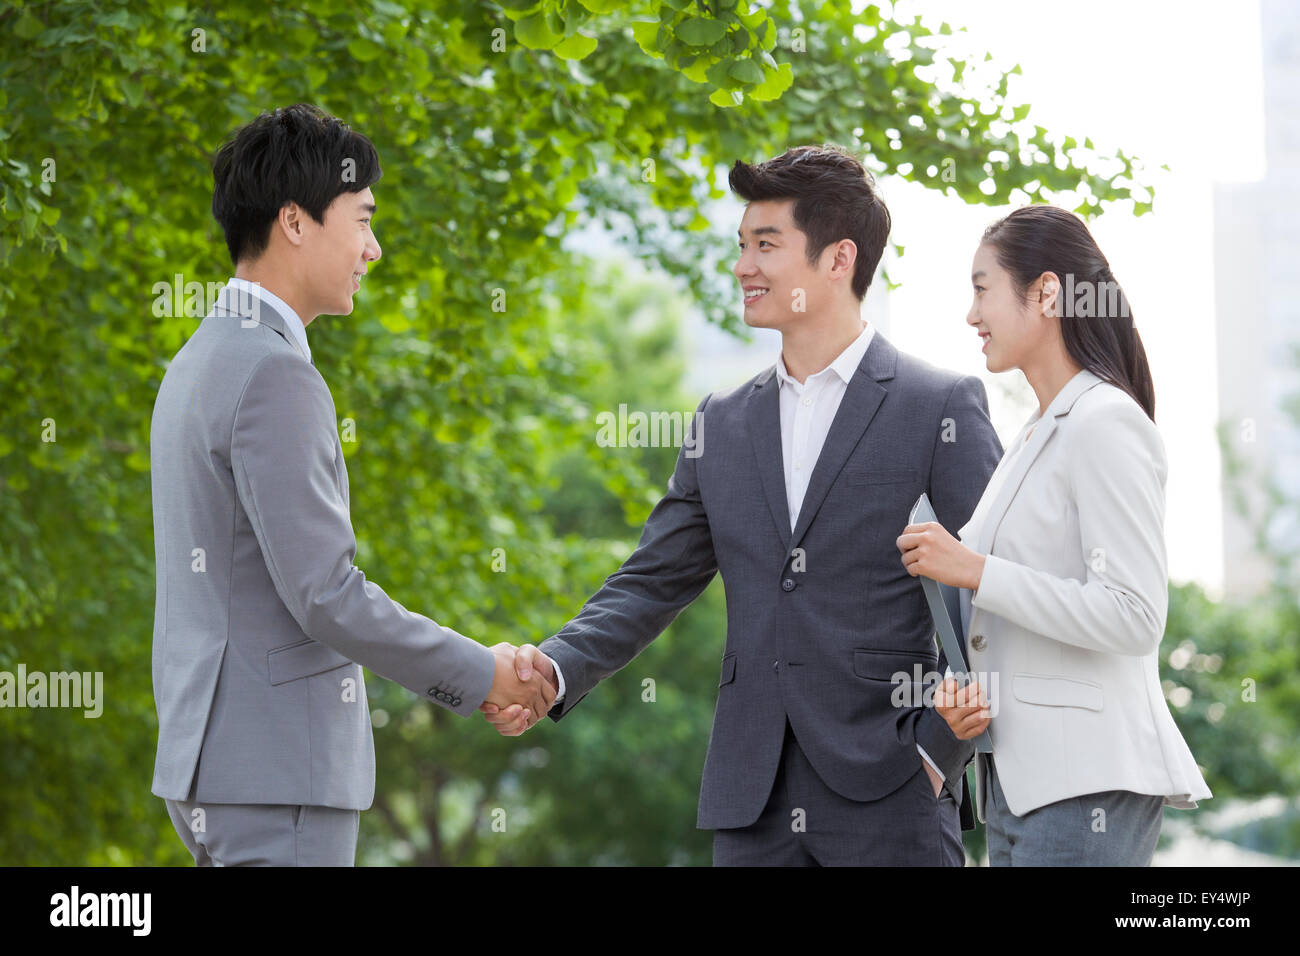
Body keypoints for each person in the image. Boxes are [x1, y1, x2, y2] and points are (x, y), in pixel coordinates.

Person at [483, 144, 1004, 865]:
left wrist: (938, 748)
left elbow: (1001, 585)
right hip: (750, 798)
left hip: (893, 788)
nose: (742, 266)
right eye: (741, 245)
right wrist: (554, 669)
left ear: (837, 258)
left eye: (766, 244)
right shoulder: (719, 424)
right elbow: (650, 581)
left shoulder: (938, 405)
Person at [149, 104, 553, 866]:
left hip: (213, 766)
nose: (375, 247)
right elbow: (325, 594)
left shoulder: (197, 361)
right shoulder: (274, 373)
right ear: (295, 221)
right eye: (362, 219)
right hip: (279, 775)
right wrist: (484, 673)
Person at [895, 204, 1212, 865]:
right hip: (1020, 782)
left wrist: (976, 570)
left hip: (1087, 784)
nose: (970, 314)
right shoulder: (1037, 436)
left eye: (982, 288)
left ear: (1045, 292)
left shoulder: (1105, 423)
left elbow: (1134, 615)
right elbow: (1008, 619)